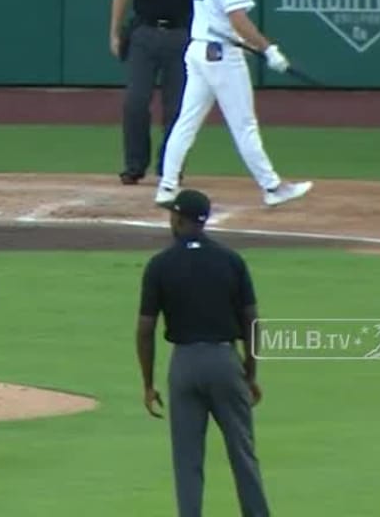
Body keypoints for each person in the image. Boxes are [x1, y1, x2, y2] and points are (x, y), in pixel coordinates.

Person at [154, 0, 313, 209]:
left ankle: (167, 187)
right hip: (221, 55)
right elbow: (238, 20)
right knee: (244, 125)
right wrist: (268, 50)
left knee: (186, 122)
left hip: (199, 51)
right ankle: (272, 187)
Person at [137, 188, 270, 517]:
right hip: (225, 361)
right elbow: (251, 320)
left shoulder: (160, 265)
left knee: (187, 459)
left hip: (184, 365)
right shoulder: (231, 261)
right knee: (242, 453)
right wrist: (250, 373)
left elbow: (145, 328)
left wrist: (148, 384)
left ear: (178, 219)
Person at [109, 0, 207, 186]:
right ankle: (134, 165)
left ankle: (170, 167)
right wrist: (114, 32)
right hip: (145, 32)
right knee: (135, 102)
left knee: (176, 106)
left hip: (181, 34)